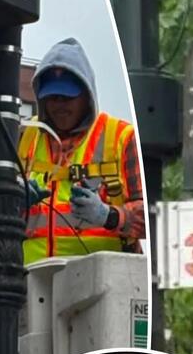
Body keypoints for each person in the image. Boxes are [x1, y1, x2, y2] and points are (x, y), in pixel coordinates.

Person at [19, 38, 145, 265]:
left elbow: (152, 217)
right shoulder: (23, 137)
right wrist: (10, 200)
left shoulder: (121, 137)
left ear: (87, 95)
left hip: (101, 280)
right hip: (30, 277)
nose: (59, 105)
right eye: (53, 97)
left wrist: (110, 216)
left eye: (68, 97)